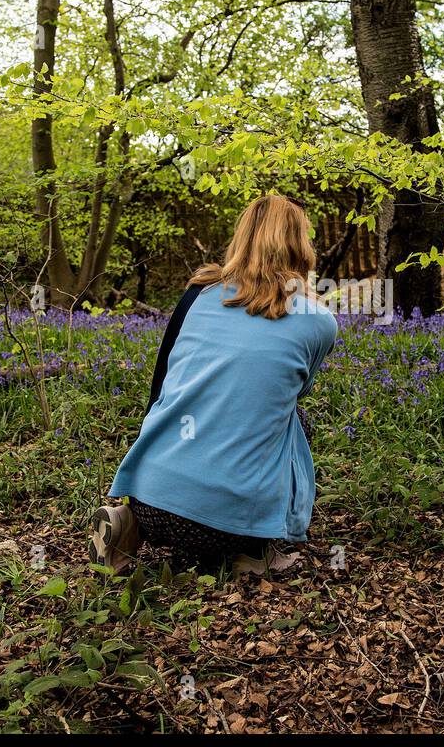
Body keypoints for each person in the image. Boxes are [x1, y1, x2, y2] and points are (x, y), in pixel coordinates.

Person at [89, 194, 338, 573]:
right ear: (299, 246)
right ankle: (253, 550)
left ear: (241, 239)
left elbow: (160, 388)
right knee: (294, 419)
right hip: (227, 527)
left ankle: (130, 524)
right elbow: (294, 394)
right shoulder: (317, 322)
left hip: (149, 498)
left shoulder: (197, 296)